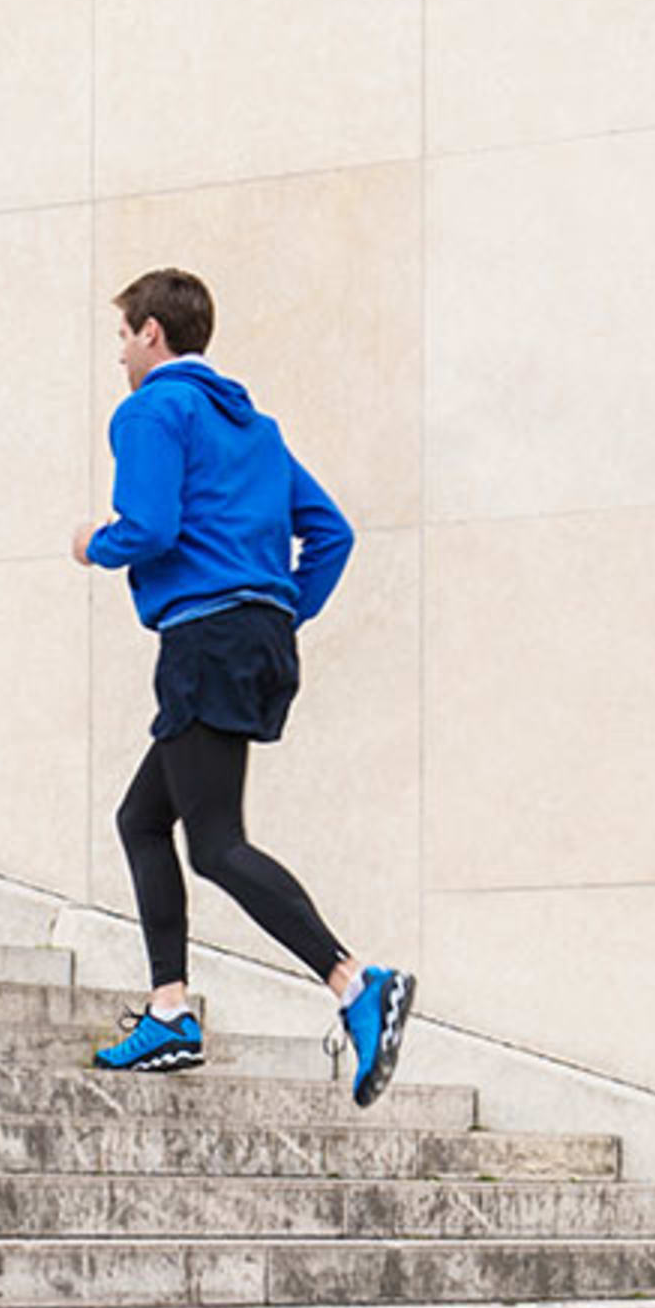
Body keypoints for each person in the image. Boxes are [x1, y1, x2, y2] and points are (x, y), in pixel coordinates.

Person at [70, 267, 414, 1107]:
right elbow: (329, 533)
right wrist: (279, 612)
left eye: (122, 335)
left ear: (153, 332)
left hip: (205, 638)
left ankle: (351, 981)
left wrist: (93, 544)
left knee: (216, 841)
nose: (118, 354)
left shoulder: (151, 409)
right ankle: (170, 1012)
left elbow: (148, 527)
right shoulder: (255, 427)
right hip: (252, 640)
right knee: (143, 818)